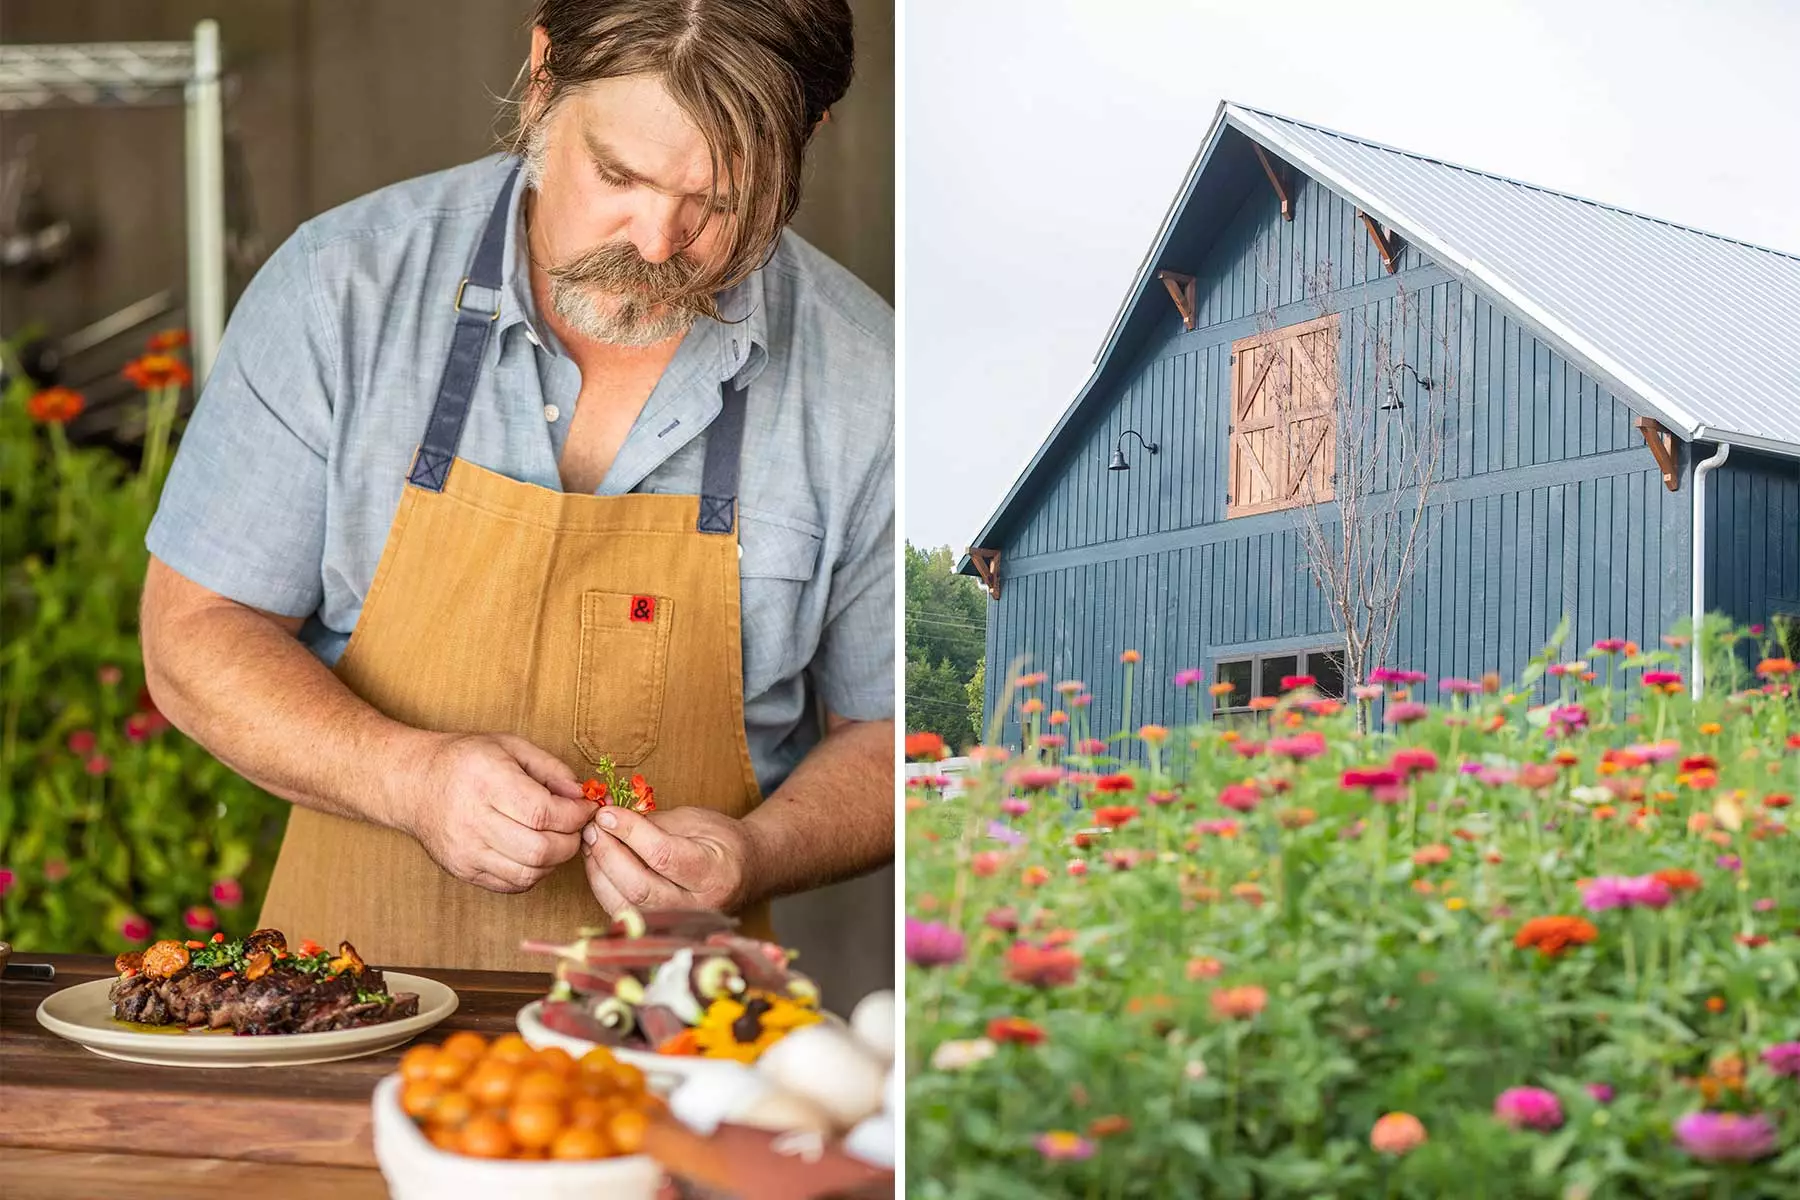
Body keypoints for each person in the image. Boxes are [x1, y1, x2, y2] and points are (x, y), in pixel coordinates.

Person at [138, 0, 893, 971]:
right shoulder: (341, 293)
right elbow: (193, 634)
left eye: (719, 199)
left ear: (808, 136)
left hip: (687, 1054)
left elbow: (890, 738)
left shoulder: (869, 385)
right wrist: (406, 778)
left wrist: (752, 854)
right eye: (618, 174)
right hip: (341, 1015)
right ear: (543, 77)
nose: (657, 242)